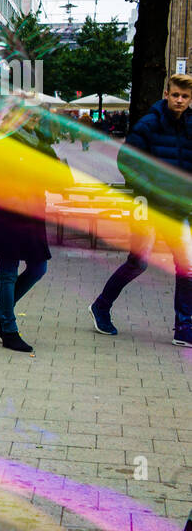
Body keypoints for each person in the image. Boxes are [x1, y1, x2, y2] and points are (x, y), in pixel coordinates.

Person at [90, 73, 192, 345]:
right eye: (175, 95)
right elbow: (127, 162)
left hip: (179, 210)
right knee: (138, 263)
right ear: (166, 95)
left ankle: (183, 328)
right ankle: (101, 306)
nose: (180, 100)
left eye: (185, 96)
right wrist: (150, 190)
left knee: (187, 267)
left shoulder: (191, 126)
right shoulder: (149, 124)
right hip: (148, 207)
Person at [0, 103, 72, 353]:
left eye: (36, 117)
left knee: (39, 268)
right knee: (8, 272)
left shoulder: (41, 144)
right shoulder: (1, 141)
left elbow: (60, 182)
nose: (32, 120)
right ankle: (8, 329)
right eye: (27, 115)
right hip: (7, 215)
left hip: (32, 215)